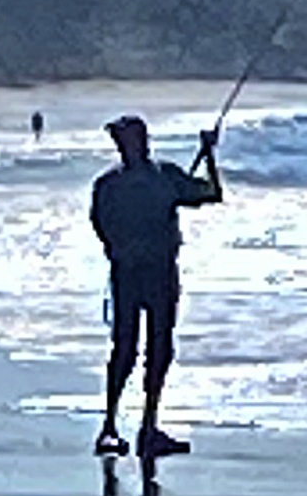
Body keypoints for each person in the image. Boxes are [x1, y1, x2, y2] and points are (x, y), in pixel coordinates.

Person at [89, 114, 222, 459]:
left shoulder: (161, 177)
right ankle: (111, 426)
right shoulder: (124, 183)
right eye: (123, 140)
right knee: (126, 350)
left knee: (158, 349)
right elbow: (102, 227)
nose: (127, 146)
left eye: (131, 139)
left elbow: (210, 194)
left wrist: (208, 154)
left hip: (154, 272)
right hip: (135, 273)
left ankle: (147, 426)